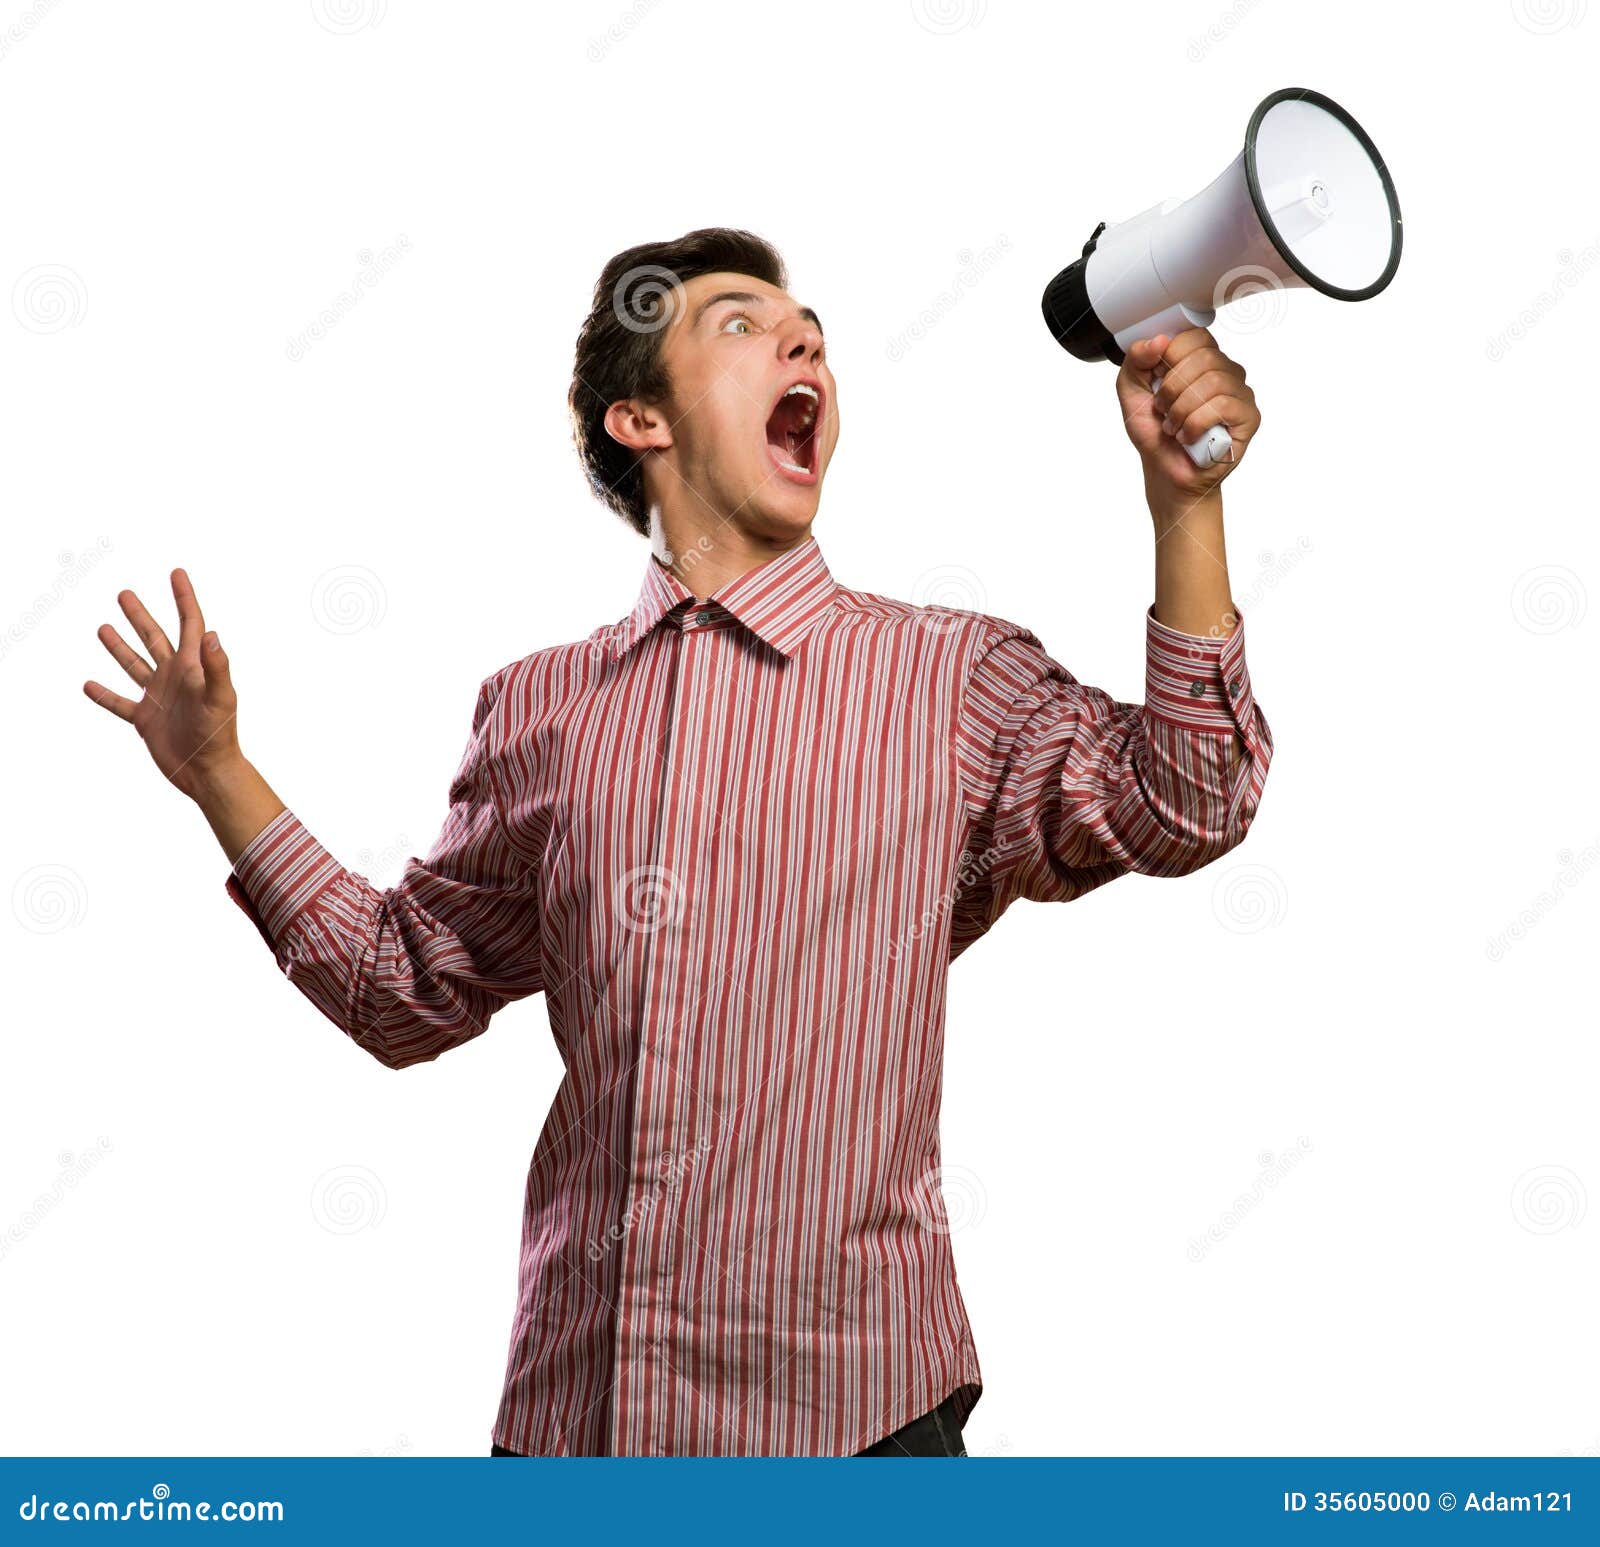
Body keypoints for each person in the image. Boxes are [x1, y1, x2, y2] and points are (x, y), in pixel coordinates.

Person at [84, 228, 1271, 1457]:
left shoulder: (951, 680)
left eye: (807, 325)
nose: (802, 337)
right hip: (575, 1430)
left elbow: (1187, 798)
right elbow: (401, 989)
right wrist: (219, 771)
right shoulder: (538, 708)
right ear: (637, 419)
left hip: (860, 1427)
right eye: (742, 323)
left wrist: (1185, 506)